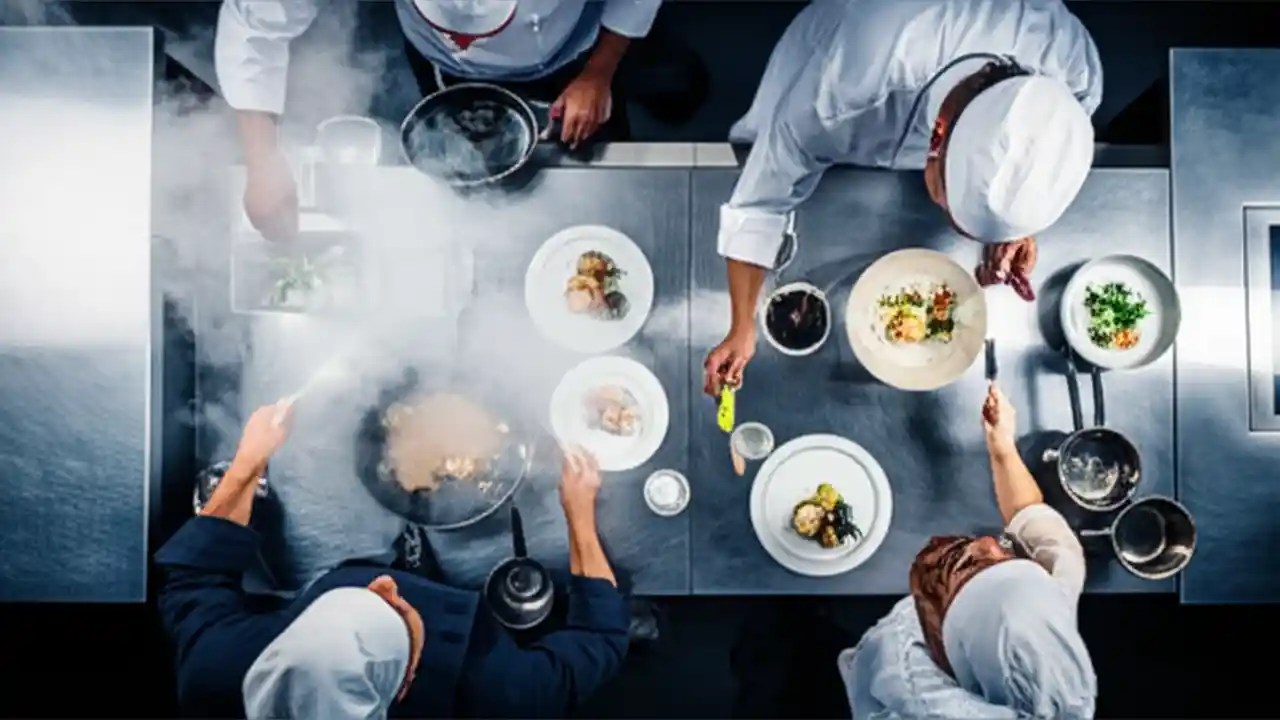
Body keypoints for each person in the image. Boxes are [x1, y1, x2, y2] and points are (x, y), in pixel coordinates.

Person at [704, 0, 1102, 396]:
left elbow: (1061, 132)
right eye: (947, 205)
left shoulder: (1070, 62)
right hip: (842, 44)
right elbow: (760, 203)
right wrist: (742, 327)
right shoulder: (840, 92)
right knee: (778, 140)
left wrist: (1014, 227)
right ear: (937, 135)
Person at [155, 402, 628, 718]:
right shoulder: (497, 691)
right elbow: (601, 637)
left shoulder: (216, 671)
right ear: (405, 687)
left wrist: (248, 462)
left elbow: (192, 578)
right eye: (397, 613)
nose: (382, 583)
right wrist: (579, 512)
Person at [216, 0, 663, 240]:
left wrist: (599, 72)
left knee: (596, 163)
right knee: (460, 168)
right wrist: (262, 162)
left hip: (569, 54)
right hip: (437, 59)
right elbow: (254, 25)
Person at [837, 383, 1096, 718]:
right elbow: (1028, 517)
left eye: (966, 567)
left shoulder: (907, 686)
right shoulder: (1052, 596)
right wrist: (1001, 446)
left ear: (941, 645)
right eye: (1008, 556)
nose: (988, 543)